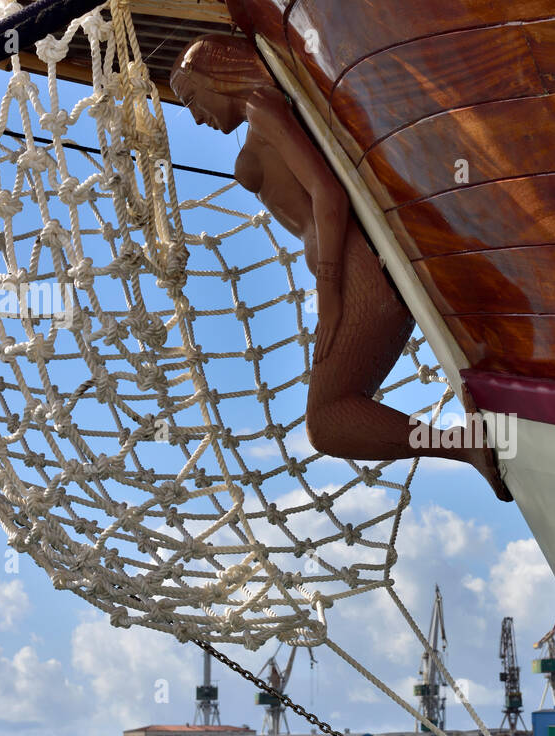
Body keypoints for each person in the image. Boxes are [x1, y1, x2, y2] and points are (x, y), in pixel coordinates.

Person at [169, 34, 511, 501]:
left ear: (215, 76)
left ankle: (463, 447)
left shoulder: (261, 107)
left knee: (326, 423)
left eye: (191, 98)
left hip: (352, 274)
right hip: (348, 273)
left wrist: (329, 292)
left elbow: (328, 195)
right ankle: (463, 444)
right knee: (327, 420)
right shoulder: (259, 113)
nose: (194, 116)